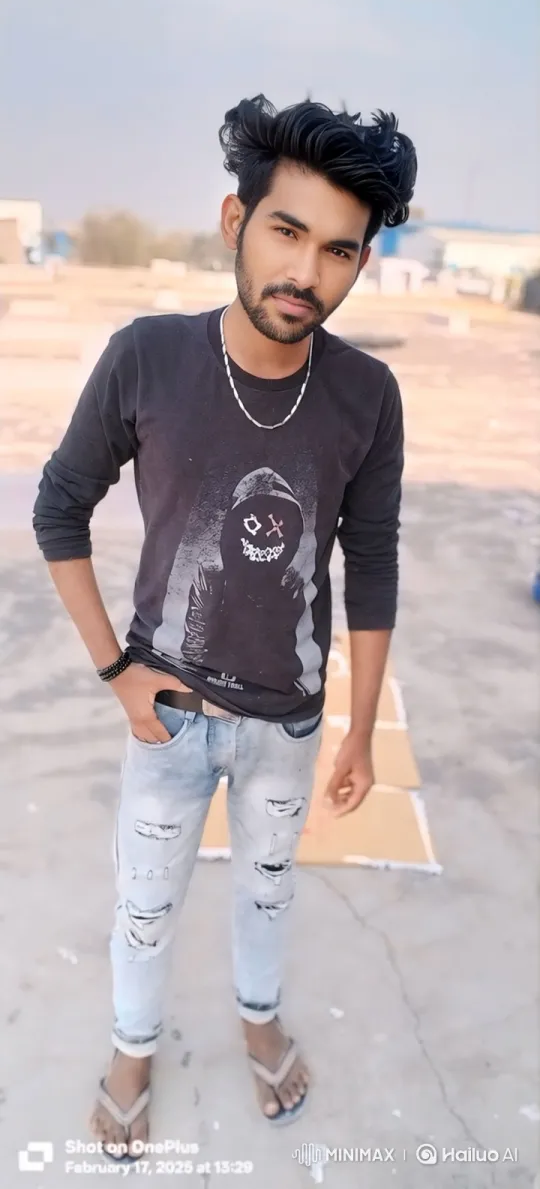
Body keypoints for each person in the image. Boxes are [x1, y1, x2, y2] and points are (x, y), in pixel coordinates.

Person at [32, 94, 417, 1158]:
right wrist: (114, 667)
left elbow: (372, 559)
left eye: (339, 250)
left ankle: (257, 1020)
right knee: (144, 908)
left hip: (287, 727)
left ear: (361, 261)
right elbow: (59, 506)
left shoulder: (368, 395)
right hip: (168, 716)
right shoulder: (148, 357)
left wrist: (356, 729)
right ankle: (131, 1046)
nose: (307, 272)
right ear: (233, 220)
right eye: (287, 231)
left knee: (265, 895)